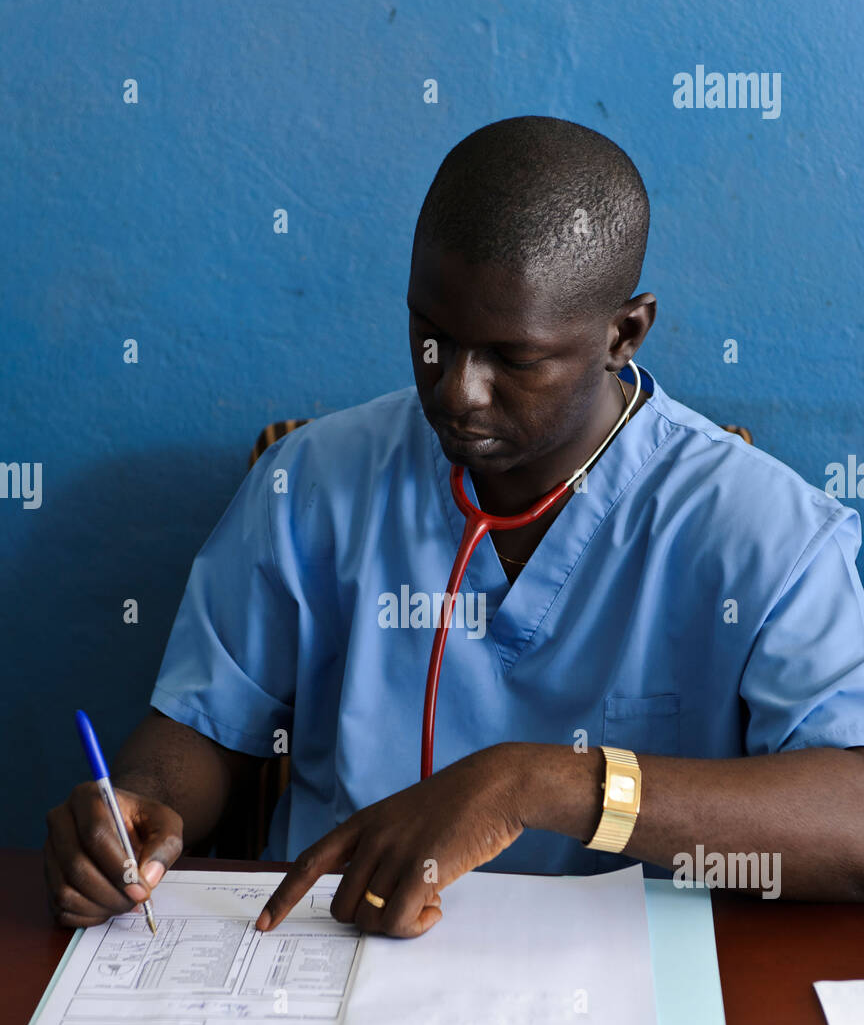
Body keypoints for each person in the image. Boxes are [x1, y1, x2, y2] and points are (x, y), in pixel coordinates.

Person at [45, 117, 864, 939]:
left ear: (624, 333)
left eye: (513, 359)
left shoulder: (767, 533)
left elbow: (852, 819)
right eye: (432, 336)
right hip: (324, 957)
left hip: (622, 986)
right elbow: (200, 731)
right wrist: (137, 810)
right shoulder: (311, 483)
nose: (456, 391)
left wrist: (537, 783)